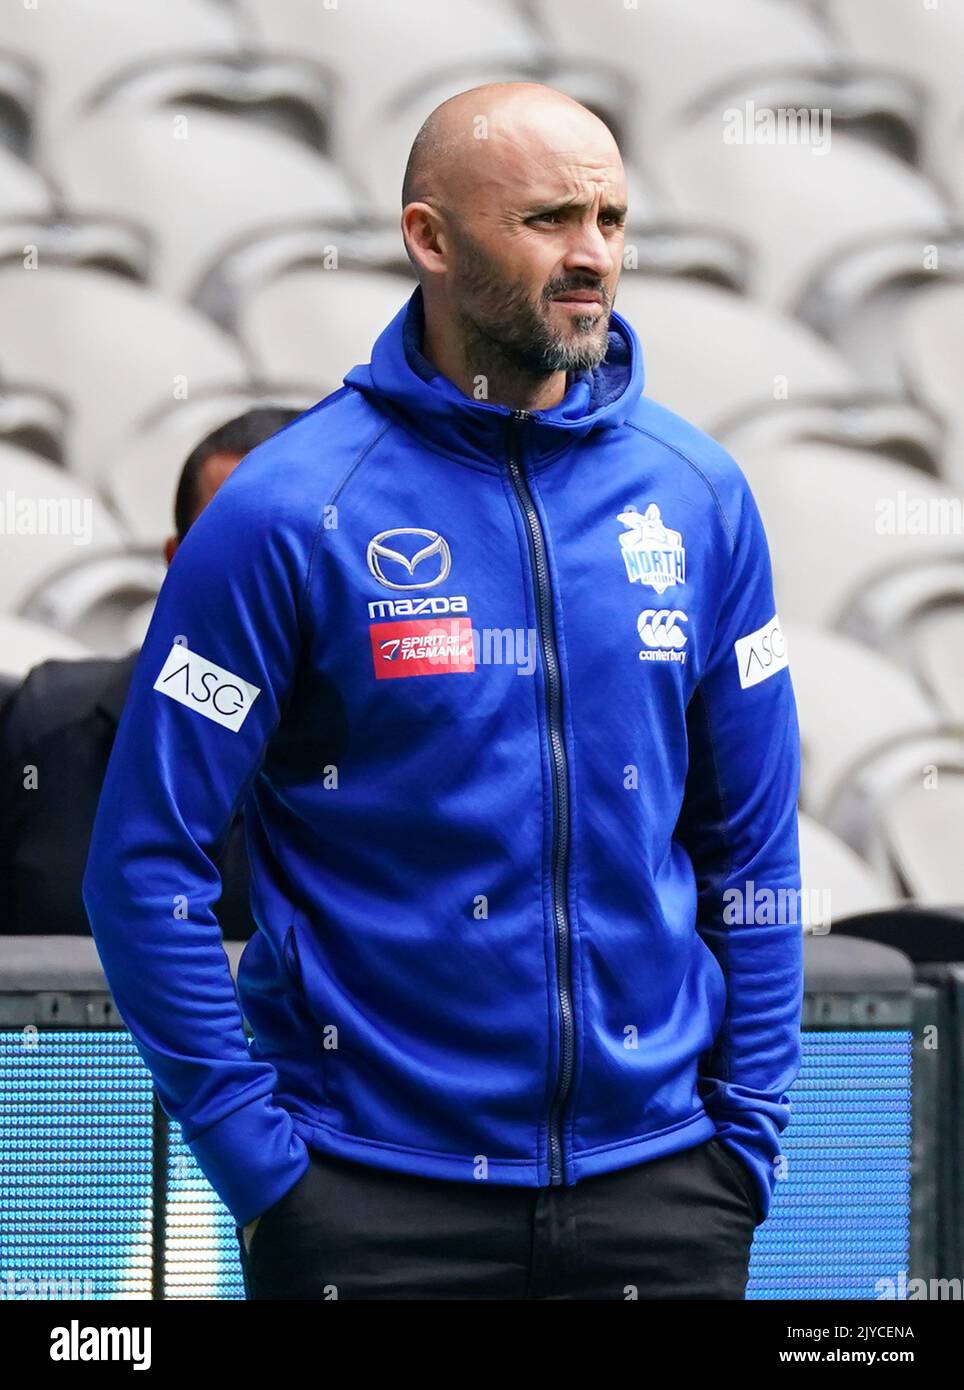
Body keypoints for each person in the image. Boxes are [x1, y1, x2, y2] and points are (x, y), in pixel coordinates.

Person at [82, 83, 803, 1300]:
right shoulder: (283, 510)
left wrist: (746, 1138)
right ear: (429, 237)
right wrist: (269, 1173)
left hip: (666, 1195)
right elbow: (143, 863)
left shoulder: (700, 495)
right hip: (370, 1202)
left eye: (613, 221)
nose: (592, 256)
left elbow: (755, 847)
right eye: (548, 219)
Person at [0, 406, 299, 940]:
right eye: (229, 550)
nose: (264, 589)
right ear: (174, 560)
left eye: (297, 553)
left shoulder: (415, 761)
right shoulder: (44, 726)